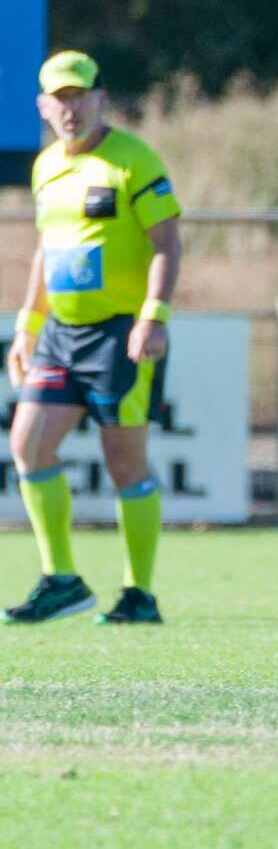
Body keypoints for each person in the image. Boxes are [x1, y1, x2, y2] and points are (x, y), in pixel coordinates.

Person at [4, 50, 181, 625]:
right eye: (60, 97)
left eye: (79, 94)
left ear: (101, 97)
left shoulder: (133, 160)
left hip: (120, 334)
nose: (70, 107)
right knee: (29, 446)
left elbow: (167, 243)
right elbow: (47, 254)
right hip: (61, 332)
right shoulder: (45, 166)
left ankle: (139, 593)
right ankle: (62, 580)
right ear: (43, 106)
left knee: (124, 461)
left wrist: (153, 316)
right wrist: (27, 325)